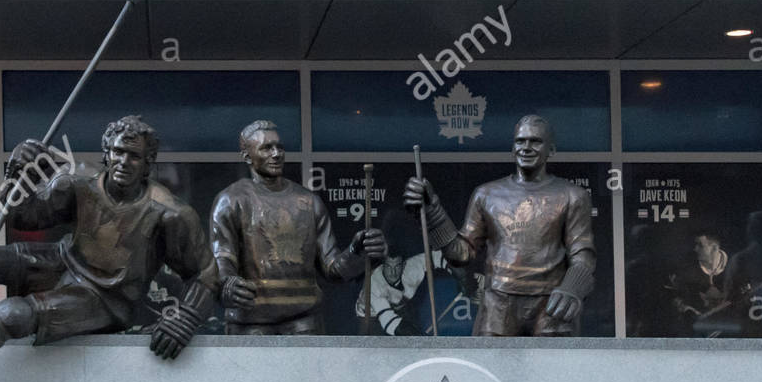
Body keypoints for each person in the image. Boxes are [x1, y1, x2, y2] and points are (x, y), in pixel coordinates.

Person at [0, 115, 218, 374]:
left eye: (134, 156)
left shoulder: (170, 213)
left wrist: (185, 319)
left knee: (12, 314)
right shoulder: (79, 185)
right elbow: (22, 217)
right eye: (117, 152)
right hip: (63, 263)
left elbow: (204, 273)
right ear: (106, 153)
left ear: (148, 162)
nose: (124, 162)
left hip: (107, 298)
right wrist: (16, 174)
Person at [403, 114, 595, 336]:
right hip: (499, 304)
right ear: (513, 149)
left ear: (551, 150)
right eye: (520, 141)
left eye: (535, 141)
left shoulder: (572, 195)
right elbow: (461, 254)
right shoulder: (487, 195)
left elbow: (583, 255)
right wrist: (431, 212)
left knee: (553, 369)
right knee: (489, 367)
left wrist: (572, 288)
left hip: (550, 303)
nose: (527, 147)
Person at [210, 120, 384, 334]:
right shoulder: (230, 200)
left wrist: (356, 252)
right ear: (247, 156)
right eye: (266, 148)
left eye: (279, 147)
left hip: (305, 323)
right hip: (251, 323)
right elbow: (222, 259)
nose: (276, 154)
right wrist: (227, 285)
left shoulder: (309, 202)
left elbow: (334, 270)